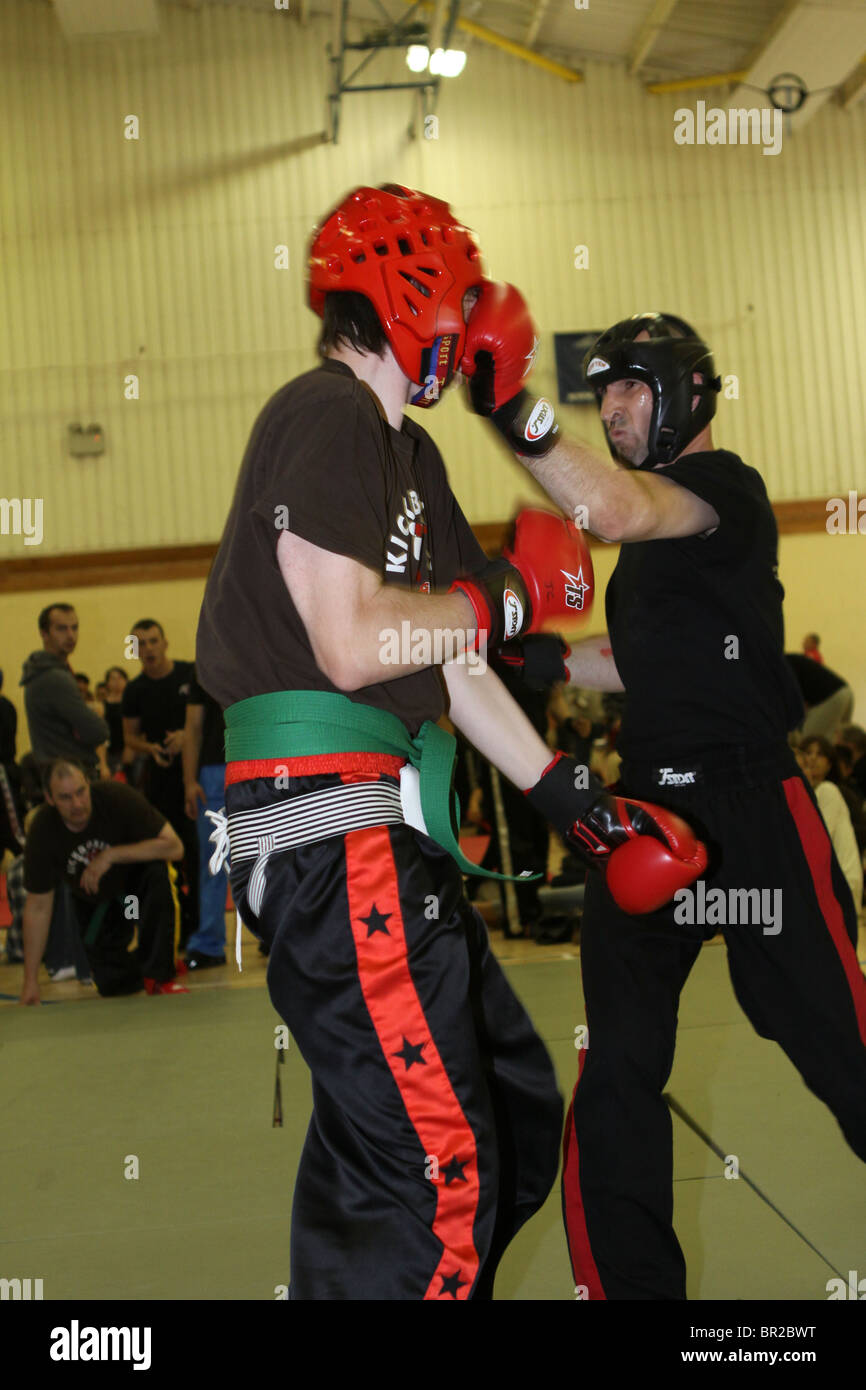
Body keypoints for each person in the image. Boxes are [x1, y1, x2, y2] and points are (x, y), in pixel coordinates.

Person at [195, 184, 707, 1300]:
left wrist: (575, 799)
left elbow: (448, 662)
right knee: (439, 1172)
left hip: (379, 831)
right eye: (460, 295)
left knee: (508, 1112)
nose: (471, 321)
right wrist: (509, 594)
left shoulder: (406, 454)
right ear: (409, 287)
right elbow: (347, 642)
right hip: (331, 833)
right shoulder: (325, 412)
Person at [460, 295, 866, 1298]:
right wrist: (537, 656)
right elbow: (635, 659)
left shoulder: (716, 487)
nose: (614, 411)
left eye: (630, 390)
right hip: (646, 812)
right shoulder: (647, 537)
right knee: (615, 1067)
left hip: (750, 806)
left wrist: (509, 405)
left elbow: (607, 507)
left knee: (830, 1034)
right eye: (599, 397)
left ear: (684, 391)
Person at [19, 759, 187, 1002]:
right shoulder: (44, 830)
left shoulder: (116, 798)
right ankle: (146, 965)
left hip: (132, 900)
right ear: (49, 798)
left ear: (89, 784)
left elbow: (175, 847)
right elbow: (38, 907)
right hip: (98, 905)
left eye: (80, 792)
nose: (77, 804)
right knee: (113, 985)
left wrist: (110, 856)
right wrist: (30, 981)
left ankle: (159, 975)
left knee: (157, 874)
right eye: (65, 797)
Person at [121, 620, 198, 946]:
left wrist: (186, 737)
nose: (148, 649)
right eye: (140, 644)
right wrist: (149, 748)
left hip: (194, 781)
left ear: (165, 643)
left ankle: (198, 928)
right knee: (166, 858)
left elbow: (206, 723)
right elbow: (129, 737)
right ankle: (168, 929)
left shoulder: (190, 675)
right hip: (158, 784)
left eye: (153, 641)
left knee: (197, 855)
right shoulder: (134, 690)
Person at [20, 604, 110, 780]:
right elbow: (99, 732)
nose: (70, 635)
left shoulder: (40, 671)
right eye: (61, 629)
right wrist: (96, 714)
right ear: (44, 633)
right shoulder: (54, 678)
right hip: (70, 778)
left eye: (74, 628)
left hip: (60, 774)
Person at [181, 678, 228, 968]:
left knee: (270, 855)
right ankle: (209, 943)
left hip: (257, 762)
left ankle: (277, 936)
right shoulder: (204, 668)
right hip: (217, 771)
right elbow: (193, 728)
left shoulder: (263, 649)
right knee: (214, 862)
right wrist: (189, 781)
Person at [800, 736, 864, 911]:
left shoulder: (828, 791)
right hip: (828, 887)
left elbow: (814, 843)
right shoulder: (812, 794)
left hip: (841, 889)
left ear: (829, 764)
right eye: (808, 752)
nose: (812, 758)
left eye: (819, 754)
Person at [786, 652, 854, 741]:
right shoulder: (788, 659)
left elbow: (792, 698)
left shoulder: (781, 665)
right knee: (840, 741)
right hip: (845, 691)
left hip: (828, 697)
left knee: (810, 742)